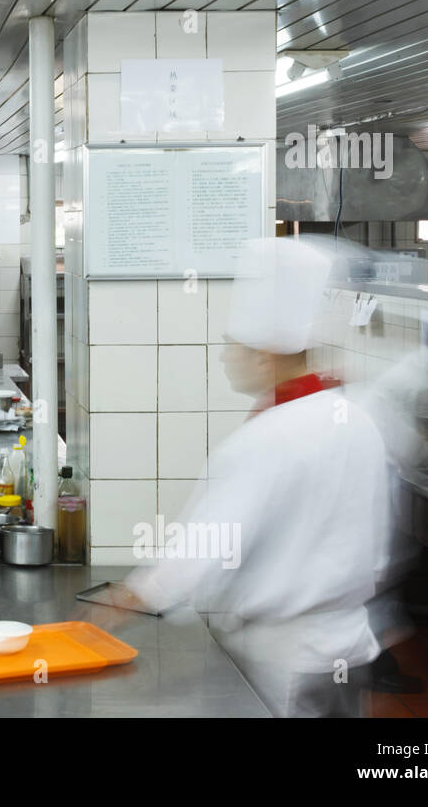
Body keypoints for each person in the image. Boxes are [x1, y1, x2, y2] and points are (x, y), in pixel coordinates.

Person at [118, 236, 394, 717]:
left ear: (265, 355)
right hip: (350, 648)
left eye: (233, 347)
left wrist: (129, 598)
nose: (227, 357)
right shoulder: (355, 416)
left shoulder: (268, 437)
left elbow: (205, 546)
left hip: (288, 661)